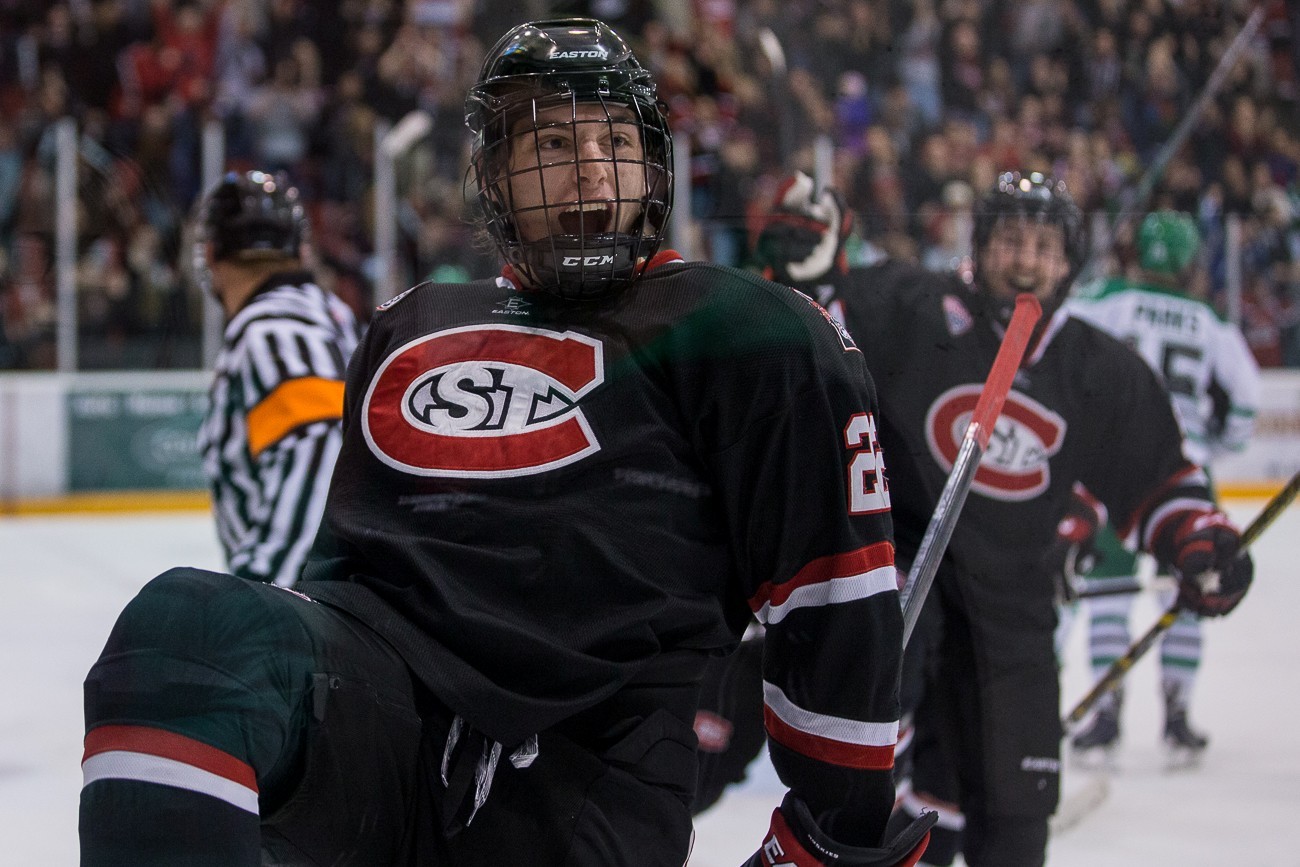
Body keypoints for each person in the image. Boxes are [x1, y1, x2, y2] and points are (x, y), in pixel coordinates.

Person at [79, 19, 935, 866]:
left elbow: (835, 594)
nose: (592, 167)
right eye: (553, 140)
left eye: (614, 140)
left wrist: (836, 830)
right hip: (382, 716)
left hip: (586, 761)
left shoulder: (749, 330)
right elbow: (340, 578)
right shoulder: (410, 324)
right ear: (493, 174)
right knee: (188, 624)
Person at [747, 171, 1254, 866]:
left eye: (1045, 247)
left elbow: (1161, 482)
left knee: (1014, 830)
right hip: (903, 595)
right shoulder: (908, 308)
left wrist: (1201, 542)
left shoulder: (1095, 369)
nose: (1026, 260)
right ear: (979, 247)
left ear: (1070, 263)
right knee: (863, 816)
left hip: (1015, 626)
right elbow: (807, 321)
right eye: (1011, 240)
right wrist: (802, 271)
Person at [1063, 209, 1260, 763]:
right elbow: (1245, 400)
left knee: (1105, 588)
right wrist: (1212, 446)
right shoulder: (1208, 318)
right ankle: (1177, 715)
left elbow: (1056, 346)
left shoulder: (1103, 298)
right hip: (1187, 474)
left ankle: (1105, 712)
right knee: (1194, 587)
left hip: (1113, 469)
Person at [193, 169, 361, 587]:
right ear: (301, 251)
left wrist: (262, 606)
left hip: (310, 625)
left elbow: (318, 454)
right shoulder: (327, 316)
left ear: (211, 255)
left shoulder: (277, 330)